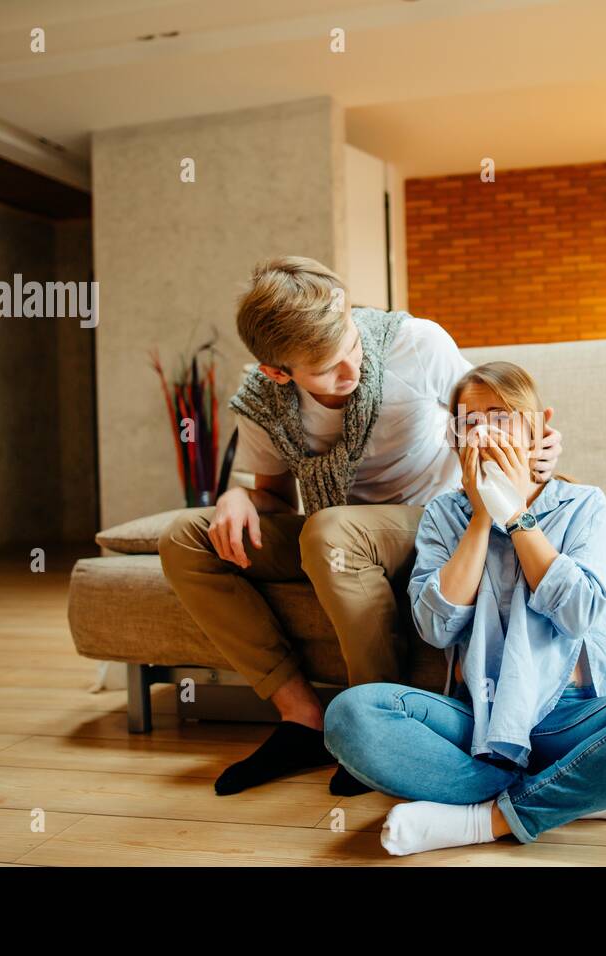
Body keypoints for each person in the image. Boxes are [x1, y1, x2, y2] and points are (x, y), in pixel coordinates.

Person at [158, 257, 564, 797]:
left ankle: (377, 726)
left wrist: (537, 445)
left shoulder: (416, 345)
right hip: (336, 533)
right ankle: (302, 719)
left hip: (432, 520)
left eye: (350, 343)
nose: (351, 369)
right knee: (186, 537)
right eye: (327, 368)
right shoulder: (262, 401)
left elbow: (493, 410)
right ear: (279, 373)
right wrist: (236, 494)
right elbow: (275, 496)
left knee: (327, 532)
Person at [323, 361, 606, 855]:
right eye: (472, 421)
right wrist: (480, 517)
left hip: (573, 720)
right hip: (482, 723)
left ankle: (482, 821)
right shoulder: (443, 515)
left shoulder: (584, 505)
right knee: (351, 715)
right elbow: (434, 626)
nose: (487, 431)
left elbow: (578, 612)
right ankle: (582, 791)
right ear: (456, 438)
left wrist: (515, 514)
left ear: (540, 426)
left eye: (503, 415)